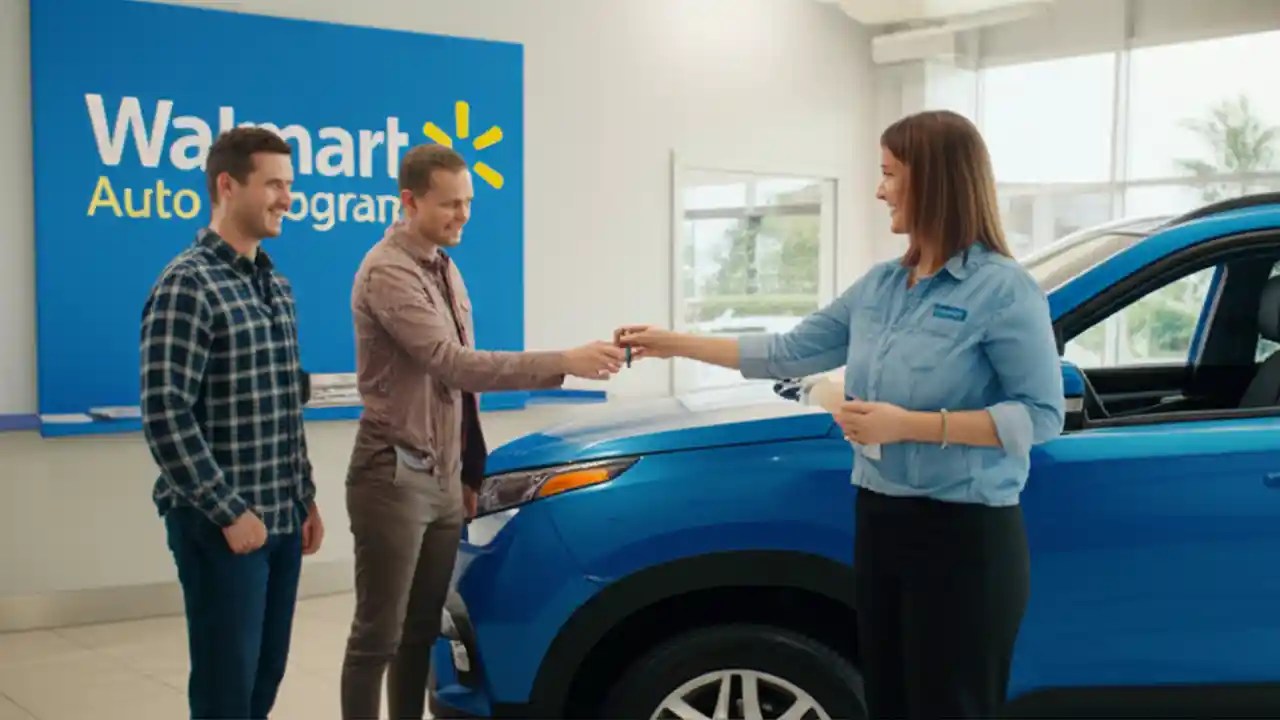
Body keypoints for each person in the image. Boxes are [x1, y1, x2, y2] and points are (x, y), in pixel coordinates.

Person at [615, 110, 1064, 719]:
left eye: (890, 174)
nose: (880, 191)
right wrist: (672, 343)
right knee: (890, 703)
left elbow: (1041, 416)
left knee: (950, 707)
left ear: (934, 179)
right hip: (882, 520)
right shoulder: (881, 287)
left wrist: (909, 425)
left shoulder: (1004, 290)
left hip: (964, 536)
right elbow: (788, 352)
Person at [341, 143, 628, 719]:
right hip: (393, 475)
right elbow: (453, 364)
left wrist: (470, 468)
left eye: (468, 202)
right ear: (409, 201)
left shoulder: (444, 268)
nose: (463, 215)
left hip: (444, 475)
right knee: (379, 635)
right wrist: (564, 361)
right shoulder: (388, 272)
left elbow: (456, 390)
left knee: (423, 629)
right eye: (450, 204)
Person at [140, 126, 324, 720]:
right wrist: (229, 511)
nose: (287, 198)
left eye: (289, 185)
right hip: (221, 527)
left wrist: (304, 497)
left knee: (263, 680)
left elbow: (284, 404)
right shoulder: (187, 284)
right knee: (226, 691)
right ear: (227, 185)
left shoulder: (277, 287)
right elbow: (165, 413)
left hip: (281, 517)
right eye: (273, 185)